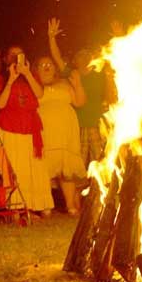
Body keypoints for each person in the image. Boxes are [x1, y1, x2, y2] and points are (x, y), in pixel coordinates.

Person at [0, 46, 54, 216]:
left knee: (34, 166)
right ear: (5, 58)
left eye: (19, 54)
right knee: (15, 167)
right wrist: (11, 80)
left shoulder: (31, 76)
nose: (15, 57)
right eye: (12, 54)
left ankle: (36, 204)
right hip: (10, 126)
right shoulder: (0, 79)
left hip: (30, 126)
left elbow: (39, 94)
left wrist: (26, 74)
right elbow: (0, 104)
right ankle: (15, 206)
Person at [49, 18, 117, 173]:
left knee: (102, 163)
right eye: (81, 55)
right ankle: (82, 195)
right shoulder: (73, 74)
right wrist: (52, 37)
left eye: (88, 54)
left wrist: (119, 36)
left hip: (97, 126)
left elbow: (111, 95)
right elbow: (57, 59)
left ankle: (102, 194)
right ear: (75, 60)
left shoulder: (100, 74)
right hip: (78, 128)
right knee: (78, 167)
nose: (85, 57)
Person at [34, 54, 86, 214]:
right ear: (36, 70)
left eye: (49, 64)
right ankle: (44, 205)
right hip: (44, 131)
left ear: (55, 68)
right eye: (42, 65)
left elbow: (80, 102)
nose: (47, 66)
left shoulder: (64, 83)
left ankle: (70, 205)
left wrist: (77, 85)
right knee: (43, 169)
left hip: (66, 131)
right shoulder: (33, 85)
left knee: (67, 170)